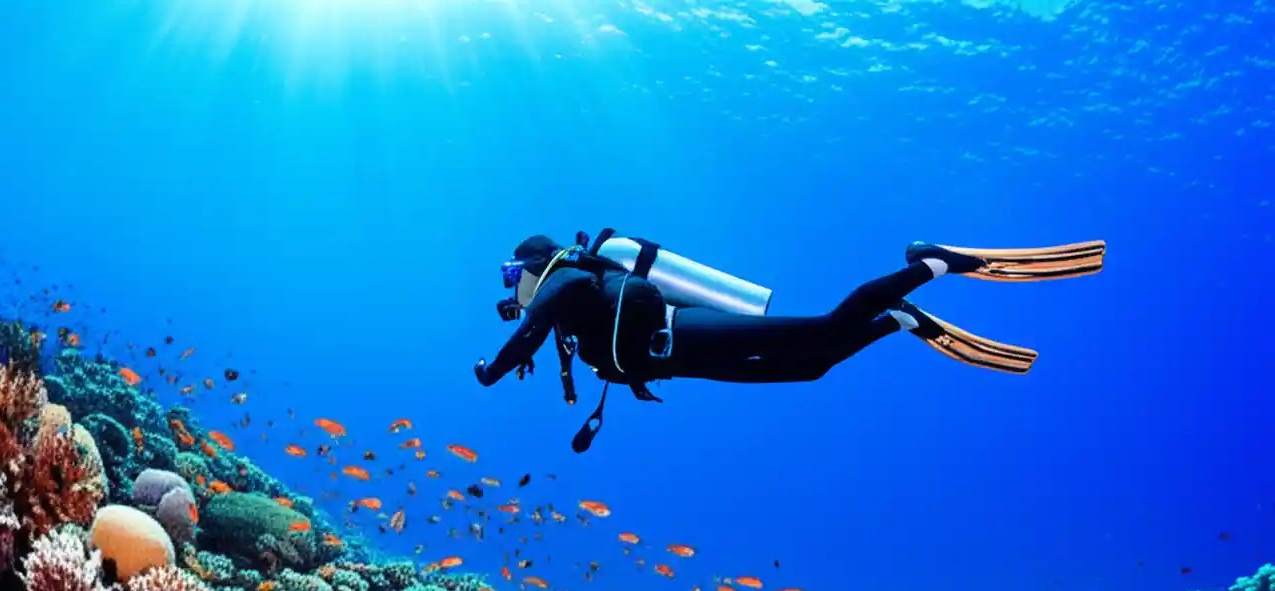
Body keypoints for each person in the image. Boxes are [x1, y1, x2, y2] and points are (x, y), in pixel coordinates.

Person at [474, 229, 1105, 451]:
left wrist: (490, 372)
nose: (513, 289)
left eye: (511, 276)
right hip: (682, 362)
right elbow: (539, 332)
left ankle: (932, 262)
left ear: (533, 267)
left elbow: (527, 332)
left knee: (825, 329)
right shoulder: (568, 303)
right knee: (810, 369)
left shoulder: (566, 280)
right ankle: (898, 319)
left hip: (682, 334)